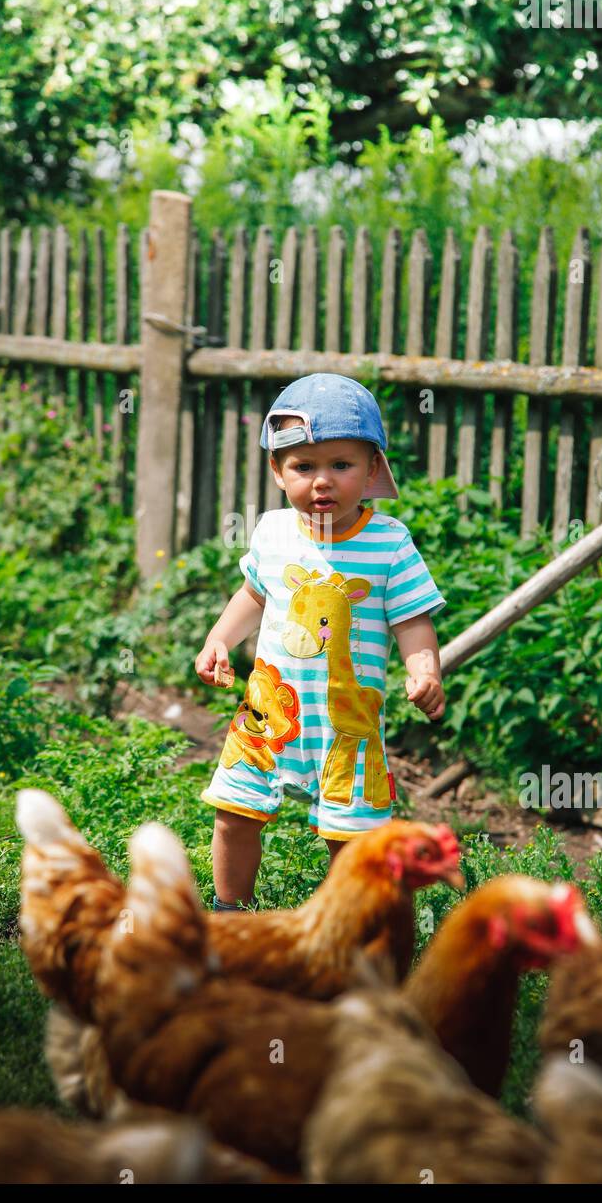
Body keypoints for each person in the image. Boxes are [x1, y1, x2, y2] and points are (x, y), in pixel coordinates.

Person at [195, 373, 446, 911]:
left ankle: (345, 931)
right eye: (304, 467)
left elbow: (412, 620)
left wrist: (424, 668)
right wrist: (219, 639)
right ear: (278, 471)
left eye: (341, 465)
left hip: (346, 722)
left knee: (349, 839)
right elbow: (254, 596)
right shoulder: (272, 531)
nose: (322, 482)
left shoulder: (388, 544)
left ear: (374, 467)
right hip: (268, 709)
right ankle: (228, 913)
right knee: (234, 814)